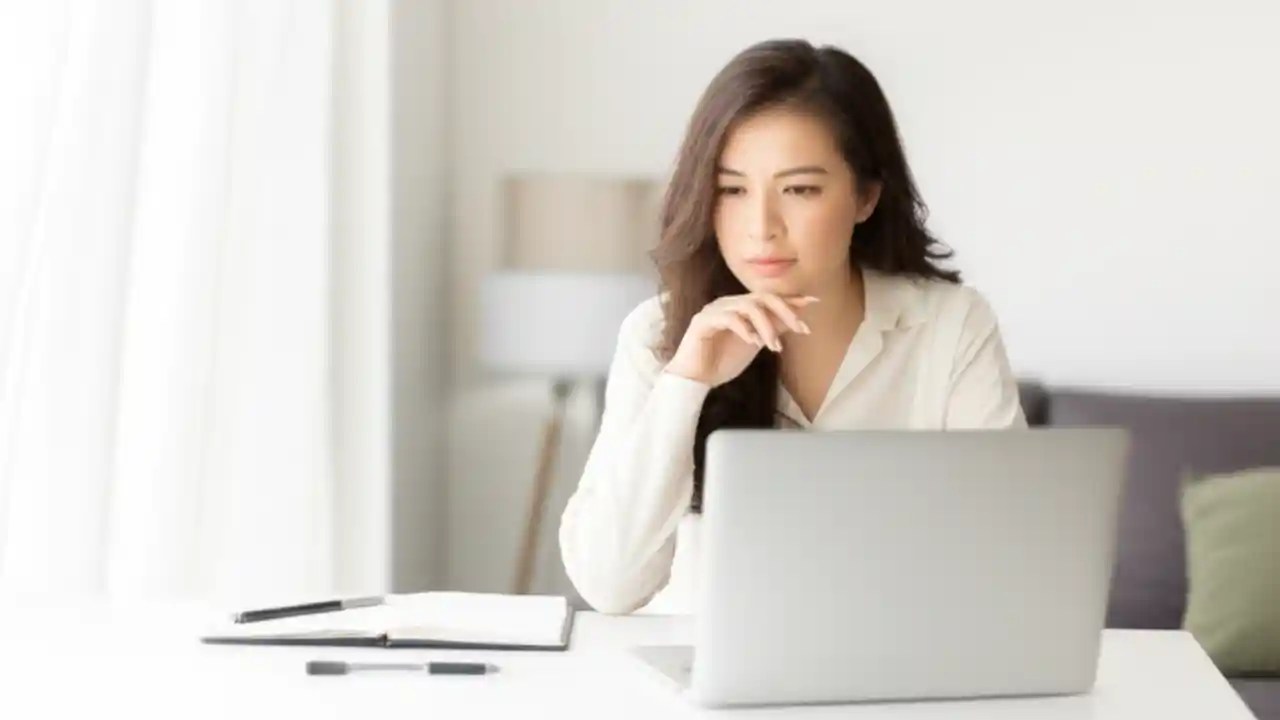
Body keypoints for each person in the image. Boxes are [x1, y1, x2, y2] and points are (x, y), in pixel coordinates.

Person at [559, 39, 1026, 616]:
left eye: (800, 190)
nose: (761, 227)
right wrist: (686, 383)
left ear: (865, 196)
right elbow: (610, 586)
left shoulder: (950, 326)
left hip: (890, 677)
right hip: (694, 688)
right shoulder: (658, 333)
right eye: (731, 190)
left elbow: (1010, 559)